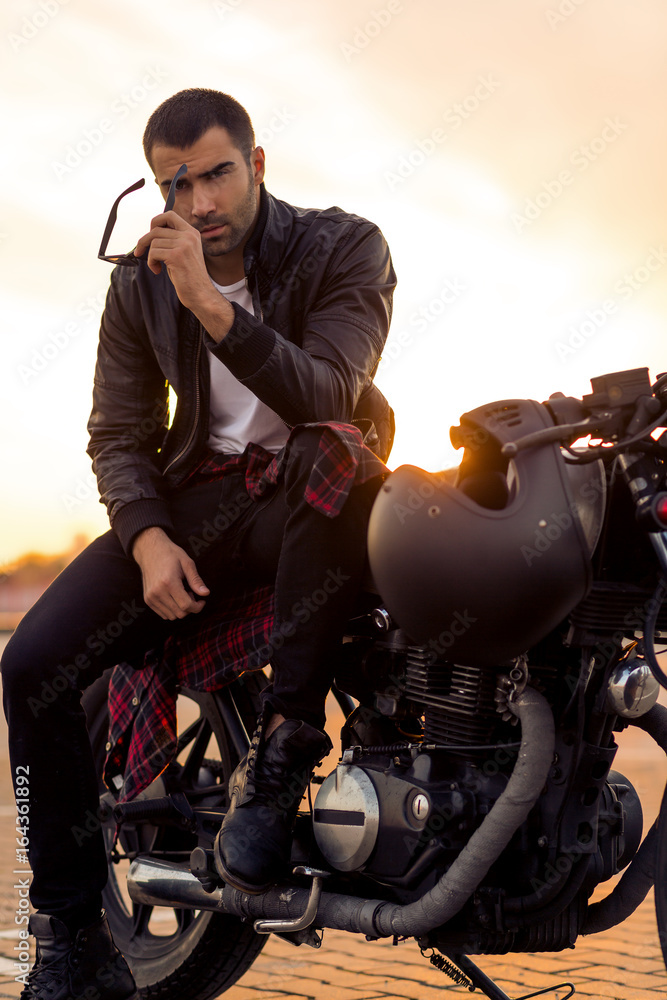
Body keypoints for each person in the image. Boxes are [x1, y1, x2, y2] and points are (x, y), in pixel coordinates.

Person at [1, 88, 396, 999]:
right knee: (32, 668)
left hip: (315, 501)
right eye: (176, 185)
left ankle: (282, 752)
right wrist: (143, 539)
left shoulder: (345, 247)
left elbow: (330, 397)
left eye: (217, 174)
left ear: (257, 165)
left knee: (332, 450)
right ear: (157, 191)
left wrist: (209, 303)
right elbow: (118, 433)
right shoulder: (137, 282)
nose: (201, 202)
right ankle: (71, 937)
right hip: (199, 508)